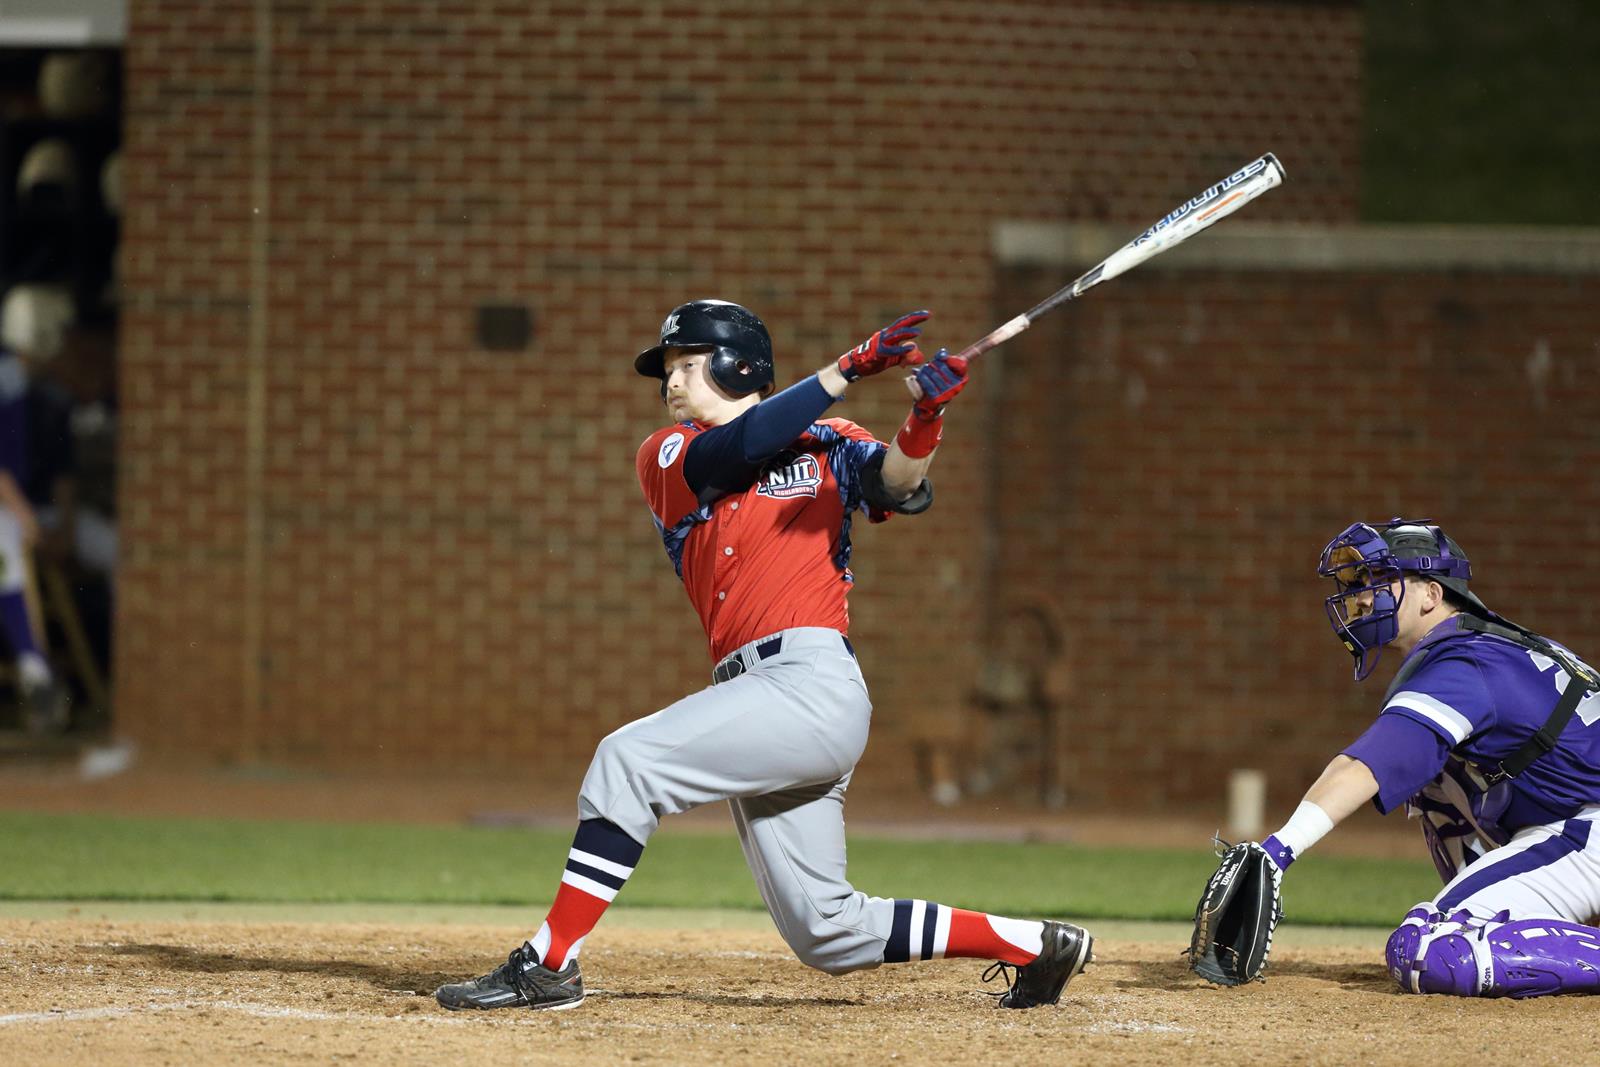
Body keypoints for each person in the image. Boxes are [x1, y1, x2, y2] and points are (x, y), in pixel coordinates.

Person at [434, 299, 1093, 1012]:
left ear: (736, 364)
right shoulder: (669, 453)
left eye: (688, 364)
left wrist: (926, 418)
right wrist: (847, 368)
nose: (672, 382)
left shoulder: (830, 439)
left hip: (811, 683)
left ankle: (550, 962)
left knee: (628, 760)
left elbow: (899, 486)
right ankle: (1035, 943)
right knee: (826, 930)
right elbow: (738, 449)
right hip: (754, 698)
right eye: (669, 370)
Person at [1247, 518, 1600, 998]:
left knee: (1434, 949)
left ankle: (1475, 920)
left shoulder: (1462, 659)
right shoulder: (1489, 647)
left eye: (1379, 579)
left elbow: (1369, 762)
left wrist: (1276, 852)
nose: (1362, 596)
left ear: (1431, 595)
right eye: (1357, 583)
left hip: (1587, 830)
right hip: (1577, 827)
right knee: (1434, 782)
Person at [0, 284, 77, 732]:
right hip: (8, 510)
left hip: (12, 507)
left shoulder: (21, 379)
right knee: (7, 534)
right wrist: (28, 518)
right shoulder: (7, 378)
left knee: (7, 535)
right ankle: (34, 667)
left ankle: (35, 667)